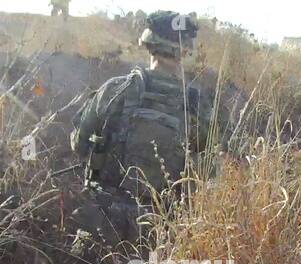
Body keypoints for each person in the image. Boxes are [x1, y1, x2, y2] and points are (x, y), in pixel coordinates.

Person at [67, 10, 211, 244]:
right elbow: (208, 164)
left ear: (148, 44)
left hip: (104, 218)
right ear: (184, 51)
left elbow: (79, 144)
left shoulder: (116, 89)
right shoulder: (197, 104)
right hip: (161, 227)